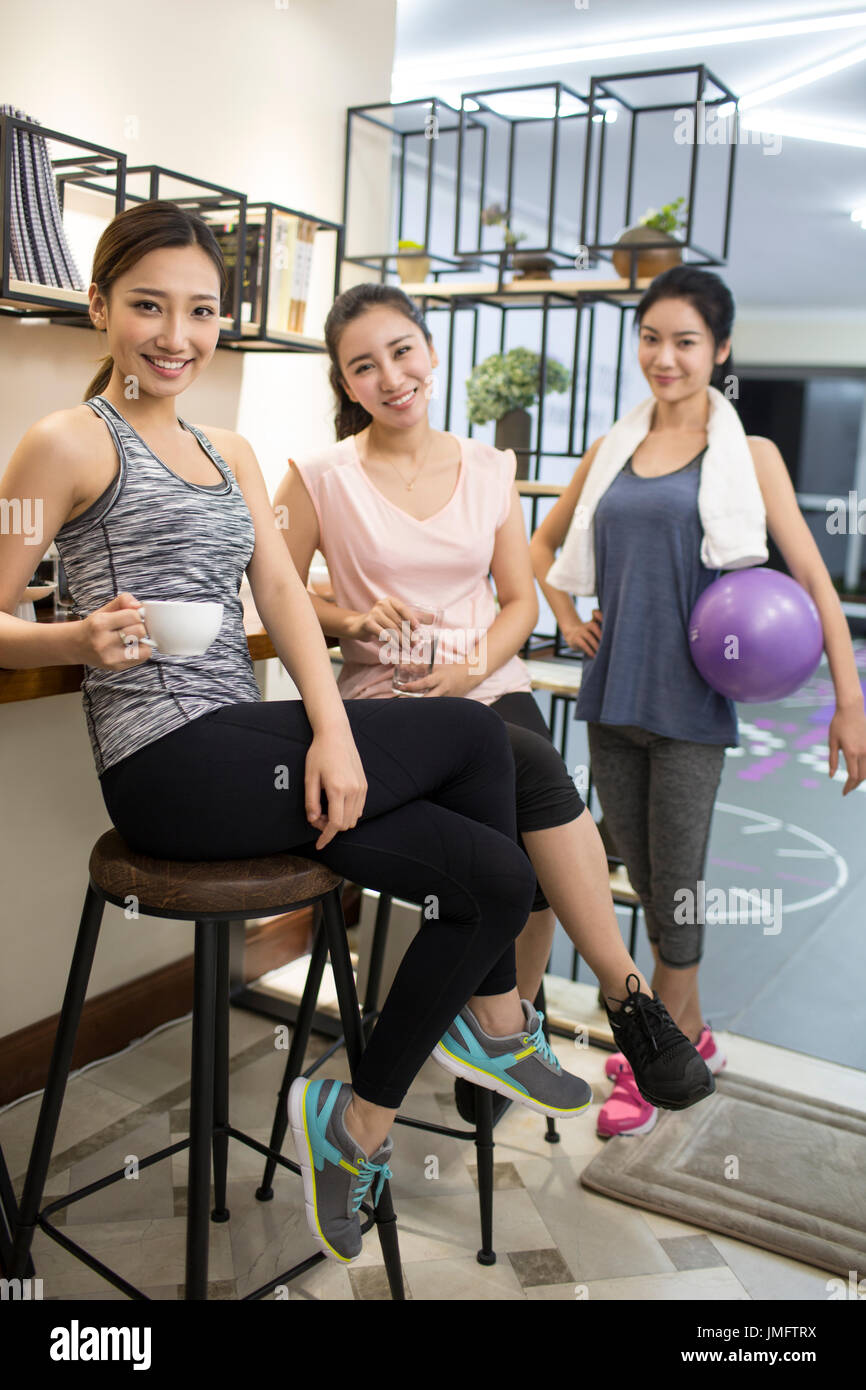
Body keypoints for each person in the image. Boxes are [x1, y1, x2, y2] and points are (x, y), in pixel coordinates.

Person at [0, 200, 601, 1267]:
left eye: (198, 310)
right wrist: (80, 639)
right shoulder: (63, 440)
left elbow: (281, 594)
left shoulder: (230, 450)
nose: (174, 335)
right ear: (99, 309)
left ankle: (354, 1124)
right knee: (474, 739)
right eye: (147, 306)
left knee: (496, 882)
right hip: (165, 766)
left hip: (250, 748)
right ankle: (498, 1024)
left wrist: (333, 733)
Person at [273, 281, 715, 1138]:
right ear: (346, 382)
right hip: (386, 705)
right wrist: (353, 618)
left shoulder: (487, 468)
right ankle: (573, 1016)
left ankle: (516, 1022)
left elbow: (518, 599)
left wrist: (473, 663)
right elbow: (278, 590)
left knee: (525, 810)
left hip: (488, 685)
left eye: (403, 351)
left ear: (430, 353)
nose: (391, 376)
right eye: (364, 366)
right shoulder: (319, 476)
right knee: (533, 792)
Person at [531, 264, 866, 1136]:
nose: (665, 358)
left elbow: (813, 580)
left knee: (674, 886)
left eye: (685, 342)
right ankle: (691, 1034)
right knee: (640, 878)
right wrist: (565, 613)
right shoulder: (618, 445)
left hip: (688, 707)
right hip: (612, 697)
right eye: (651, 338)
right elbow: (538, 546)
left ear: (720, 351)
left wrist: (850, 701)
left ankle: (661, 1052)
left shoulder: (748, 455)